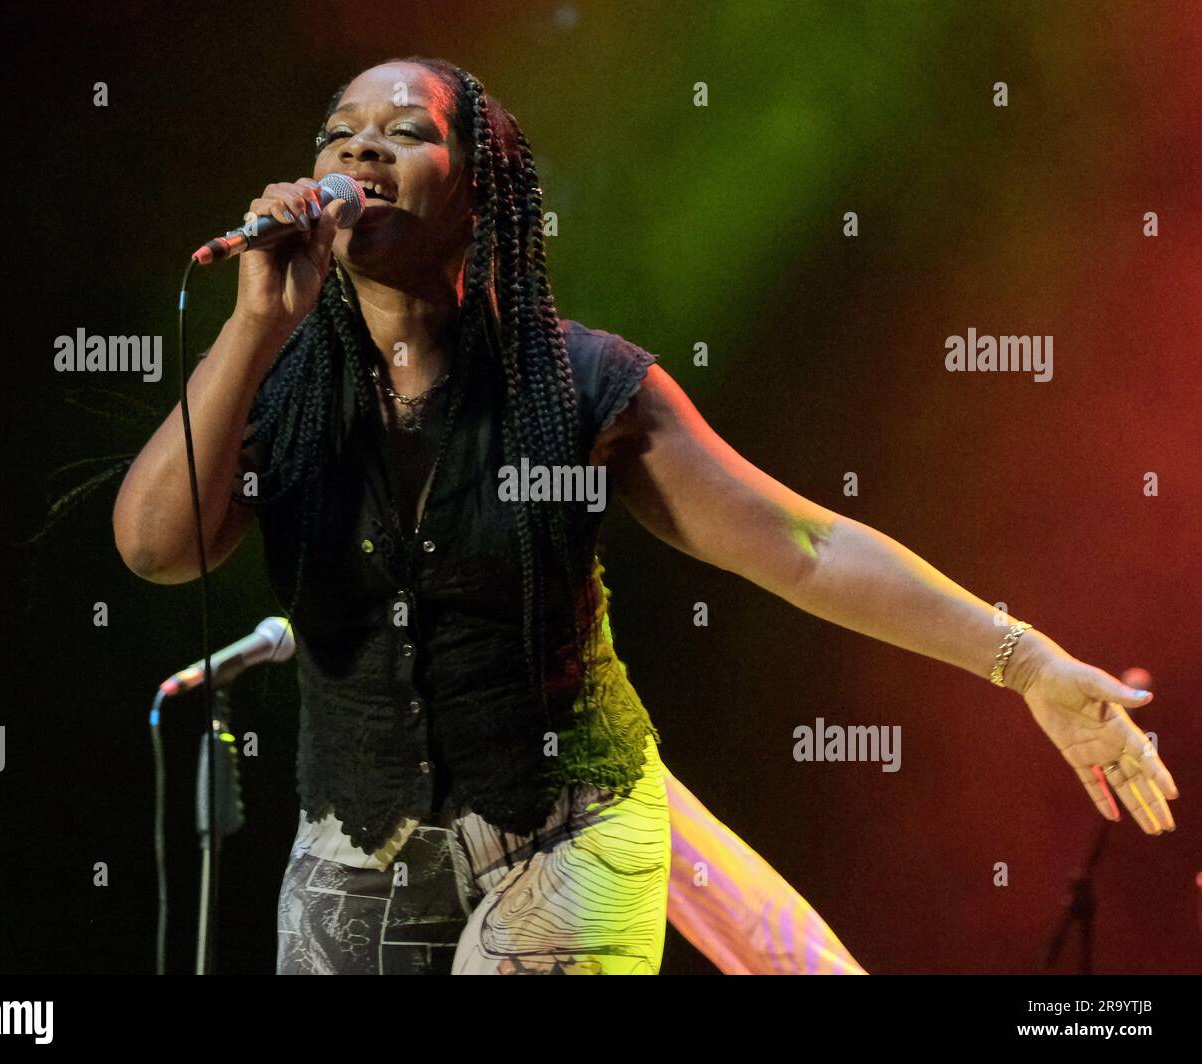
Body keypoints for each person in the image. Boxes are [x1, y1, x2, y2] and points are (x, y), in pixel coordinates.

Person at [112, 56, 1178, 975]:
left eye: (404, 131)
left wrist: (1024, 659)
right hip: (358, 836)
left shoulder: (577, 382)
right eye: (338, 134)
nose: (362, 151)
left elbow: (806, 547)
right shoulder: (280, 379)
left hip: (567, 824)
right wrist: (255, 326)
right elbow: (157, 548)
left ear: (480, 193)